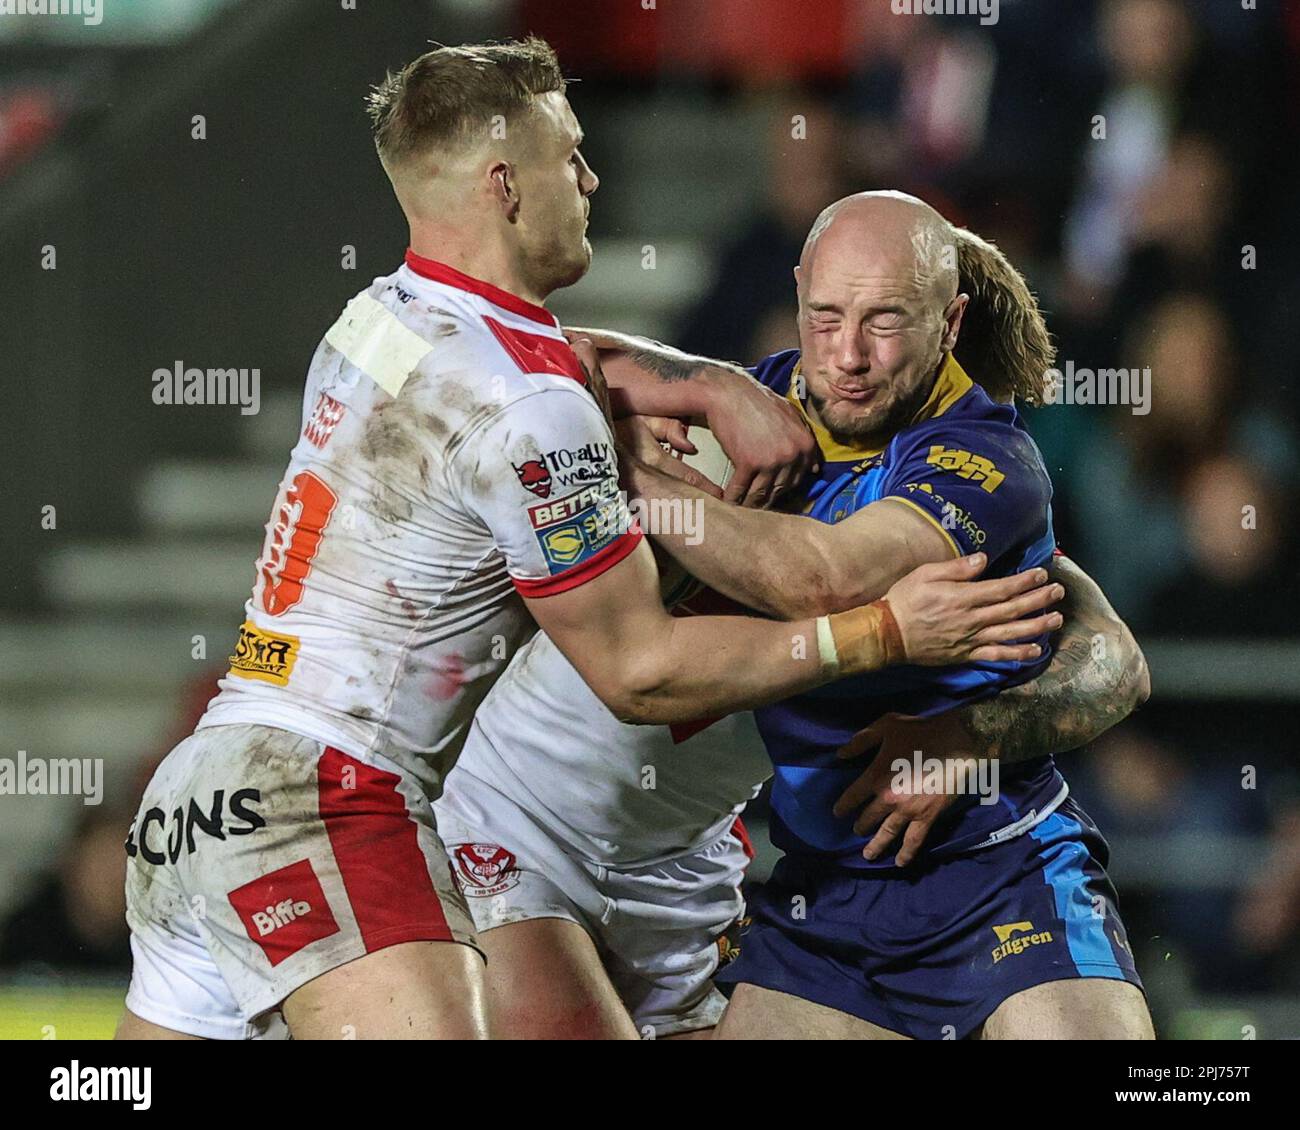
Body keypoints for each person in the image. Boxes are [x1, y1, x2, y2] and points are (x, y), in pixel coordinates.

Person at [116, 42, 1057, 1041]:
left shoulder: (373, 322)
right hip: (341, 797)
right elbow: (642, 667)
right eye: (570, 154)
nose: (591, 178)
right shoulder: (536, 408)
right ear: (504, 186)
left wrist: (704, 384)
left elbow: (550, 366)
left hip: (205, 787)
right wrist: (881, 633)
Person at [434, 217, 1149, 1038]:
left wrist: (968, 734)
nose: (852, 362)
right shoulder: (745, 412)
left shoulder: (982, 477)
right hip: (533, 821)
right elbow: (532, 352)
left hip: (823, 867)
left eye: (890, 329)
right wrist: (694, 394)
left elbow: (1115, 662)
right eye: (831, 320)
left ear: (947, 337)